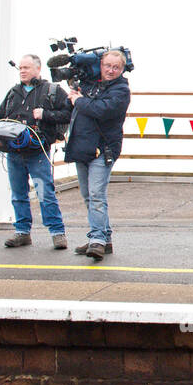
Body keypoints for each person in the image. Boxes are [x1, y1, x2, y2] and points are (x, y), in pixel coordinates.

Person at [0, 54, 72, 250]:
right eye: (21, 68)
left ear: (37, 69)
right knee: (18, 194)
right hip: (14, 152)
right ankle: (22, 232)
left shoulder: (53, 91)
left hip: (38, 151)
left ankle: (57, 233)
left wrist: (45, 115)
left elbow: (69, 113)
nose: (23, 71)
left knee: (45, 193)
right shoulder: (13, 92)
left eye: (27, 68)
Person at [65, 49, 131, 261]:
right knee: (88, 195)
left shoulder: (121, 90)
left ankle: (98, 240)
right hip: (82, 147)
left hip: (104, 150)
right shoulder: (89, 83)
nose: (111, 70)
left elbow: (102, 109)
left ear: (122, 69)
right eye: (107, 66)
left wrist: (78, 100)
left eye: (116, 67)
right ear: (100, 65)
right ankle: (104, 237)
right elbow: (75, 99)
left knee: (96, 195)